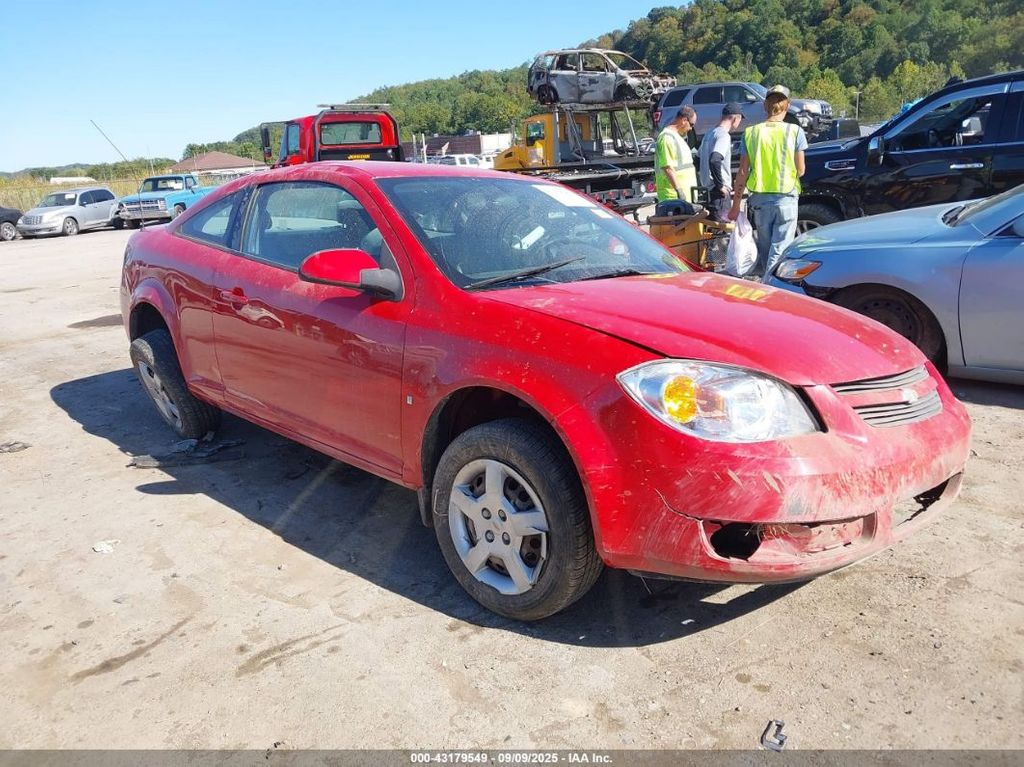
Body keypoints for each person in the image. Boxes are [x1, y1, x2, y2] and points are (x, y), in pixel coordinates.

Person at [728, 85, 807, 280]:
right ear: (787, 106)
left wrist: (736, 205)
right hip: (786, 198)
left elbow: (743, 172)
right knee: (780, 250)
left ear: (765, 106)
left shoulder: (751, 133)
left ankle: (767, 283)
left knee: (766, 249)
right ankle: (772, 286)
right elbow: (801, 170)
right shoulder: (795, 132)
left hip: (760, 201)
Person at [699, 102, 744, 220]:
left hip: (707, 191)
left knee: (710, 232)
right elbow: (715, 159)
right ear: (735, 118)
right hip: (718, 195)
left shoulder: (709, 134)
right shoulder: (723, 135)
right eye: (740, 119)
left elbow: (697, 158)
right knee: (722, 233)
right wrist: (720, 186)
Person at [654, 105, 701, 217]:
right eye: (692, 124)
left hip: (683, 198)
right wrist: (679, 191)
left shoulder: (676, 137)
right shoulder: (666, 138)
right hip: (672, 198)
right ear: (684, 120)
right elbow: (667, 167)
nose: (691, 129)